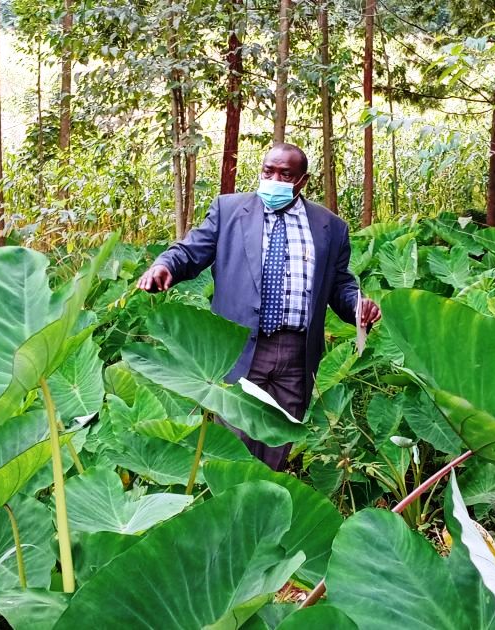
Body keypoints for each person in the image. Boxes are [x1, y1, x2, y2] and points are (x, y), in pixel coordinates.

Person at [137, 143, 381, 471]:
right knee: (233, 450)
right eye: (268, 171)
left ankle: (262, 513)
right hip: (241, 346)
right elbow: (190, 251)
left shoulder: (330, 227)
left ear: (302, 181)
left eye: (285, 174)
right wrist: (165, 265)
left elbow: (340, 285)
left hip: (296, 354)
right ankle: (229, 513)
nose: (274, 179)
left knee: (276, 447)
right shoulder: (229, 211)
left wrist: (357, 306)